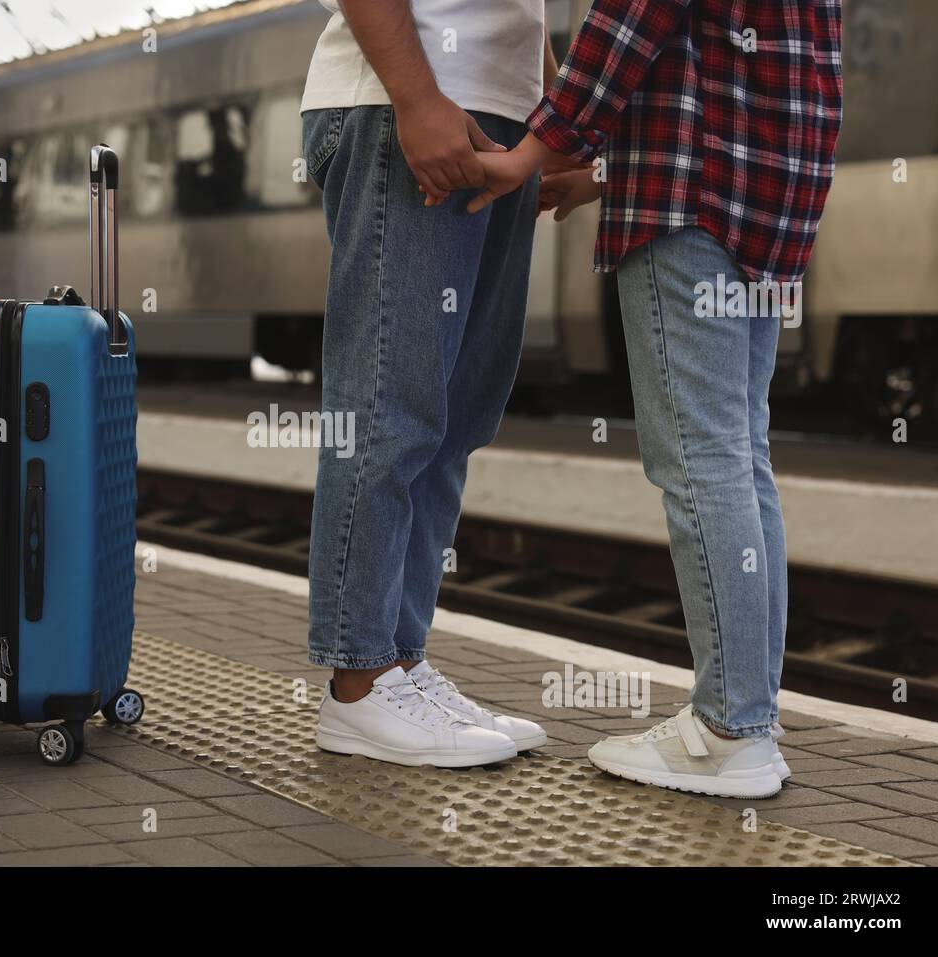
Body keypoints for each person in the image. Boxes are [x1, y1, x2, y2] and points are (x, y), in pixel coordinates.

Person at [465, 0, 844, 798]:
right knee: (741, 460)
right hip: (764, 217)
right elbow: (740, 89)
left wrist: (528, 153)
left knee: (702, 461)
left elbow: (627, 26)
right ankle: (748, 717)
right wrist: (603, 173)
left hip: (688, 217)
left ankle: (726, 731)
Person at [300, 0, 559, 767]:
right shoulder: (410, 102)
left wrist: (550, 113)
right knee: (391, 406)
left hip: (494, 115)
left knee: (454, 419)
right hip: (402, 102)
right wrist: (416, 98)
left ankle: (401, 661)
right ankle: (359, 680)